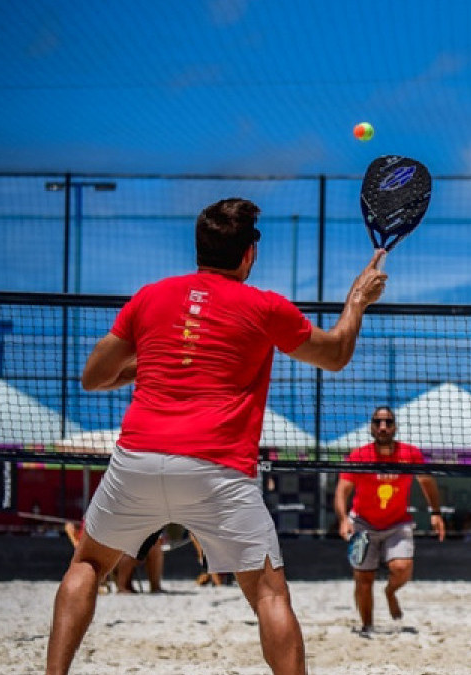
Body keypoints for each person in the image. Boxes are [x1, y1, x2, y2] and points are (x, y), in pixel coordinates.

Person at [47, 197, 388, 675]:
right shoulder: (265, 306)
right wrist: (357, 301)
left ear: (199, 247)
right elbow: (334, 355)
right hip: (217, 468)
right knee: (269, 595)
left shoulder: (150, 297)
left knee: (86, 565)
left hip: (138, 459)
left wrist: (153, 360)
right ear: (249, 253)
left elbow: (93, 377)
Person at [334, 405, 446, 636]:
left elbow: (427, 482)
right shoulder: (359, 456)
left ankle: (390, 592)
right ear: (371, 427)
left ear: (395, 427)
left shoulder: (410, 454)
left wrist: (436, 513)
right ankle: (367, 626)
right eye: (378, 422)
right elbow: (342, 490)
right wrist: (343, 519)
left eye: (388, 422)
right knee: (363, 578)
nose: (383, 427)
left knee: (401, 567)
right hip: (363, 522)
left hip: (397, 522)